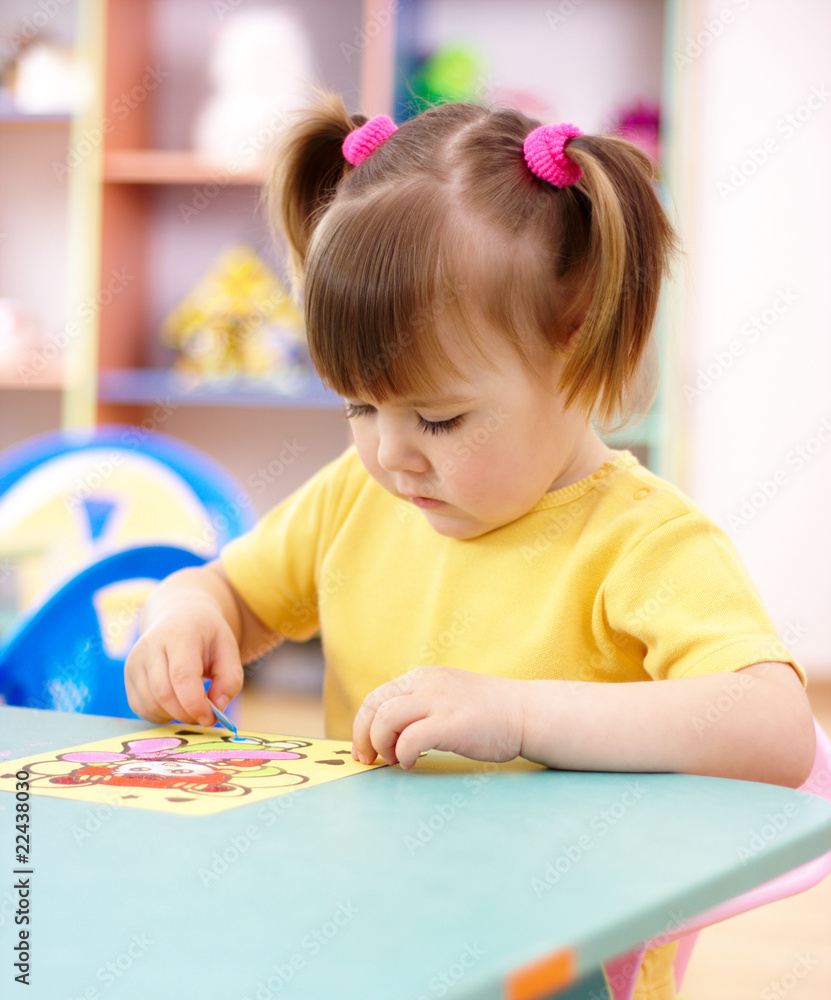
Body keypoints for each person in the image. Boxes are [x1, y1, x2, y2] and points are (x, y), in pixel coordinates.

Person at [125, 93, 815, 1000]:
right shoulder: (359, 495)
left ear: (576, 355)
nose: (388, 453)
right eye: (359, 406)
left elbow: (774, 729)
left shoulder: (640, 541)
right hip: (378, 926)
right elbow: (235, 593)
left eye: (439, 417)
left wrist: (523, 718)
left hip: (564, 952)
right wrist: (187, 612)